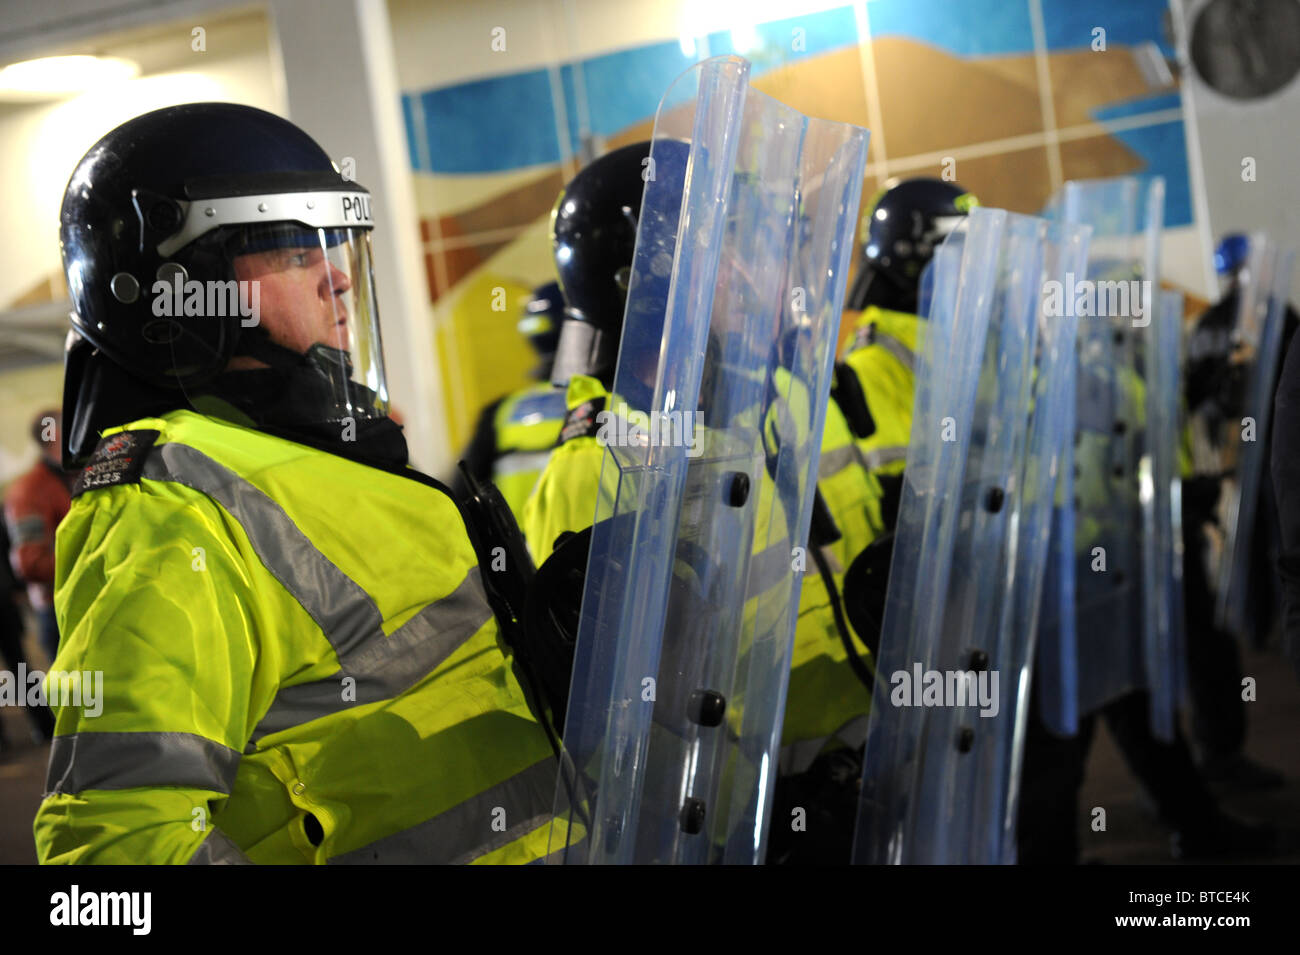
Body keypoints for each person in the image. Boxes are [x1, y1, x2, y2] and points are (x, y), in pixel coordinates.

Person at [34, 103, 561, 865]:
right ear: (179, 293)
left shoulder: (316, 458)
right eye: (289, 251)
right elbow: (116, 852)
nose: (338, 277)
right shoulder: (171, 510)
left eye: (336, 243)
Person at [519, 141, 879, 864]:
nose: (747, 277)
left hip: (842, 798)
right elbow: (613, 744)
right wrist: (765, 814)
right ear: (646, 288)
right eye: (721, 254)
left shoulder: (745, 422)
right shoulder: (599, 470)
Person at [452, 282, 567, 516]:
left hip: (520, 551)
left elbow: (462, 499)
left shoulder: (500, 413)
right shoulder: (612, 402)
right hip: (594, 548)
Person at [4, 409, 72, 662]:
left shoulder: (76, 474)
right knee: (81, 697)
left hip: (89, 604)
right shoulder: (28, 491)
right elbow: (30, 563)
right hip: (58, 611)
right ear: (51, 435)